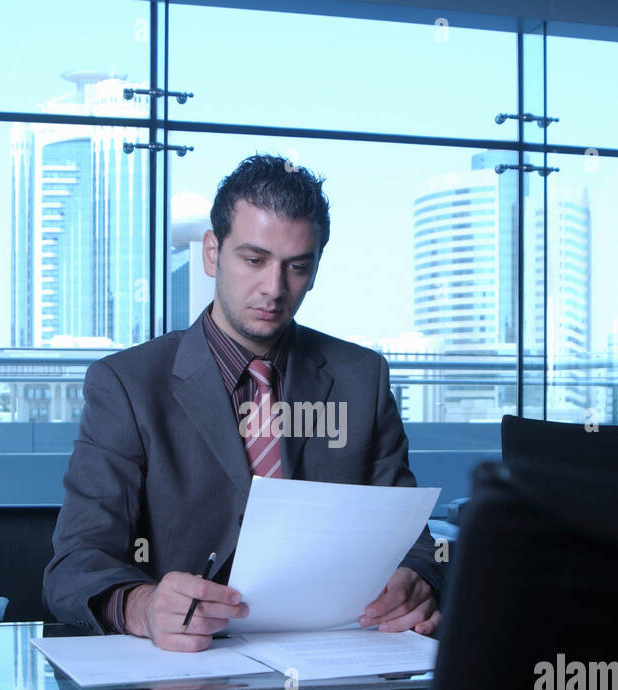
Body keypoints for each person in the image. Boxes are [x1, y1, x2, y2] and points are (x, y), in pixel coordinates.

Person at [43, 154, 444, 651]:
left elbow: (415, 543)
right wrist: (141, 607)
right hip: (188, 676)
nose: (274, 289)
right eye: (253, 260)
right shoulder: (126, 385)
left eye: (297, 267)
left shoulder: (362, 378)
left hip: (335, 664)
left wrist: (416, 579)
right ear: (212, 252)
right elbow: (75, 565)